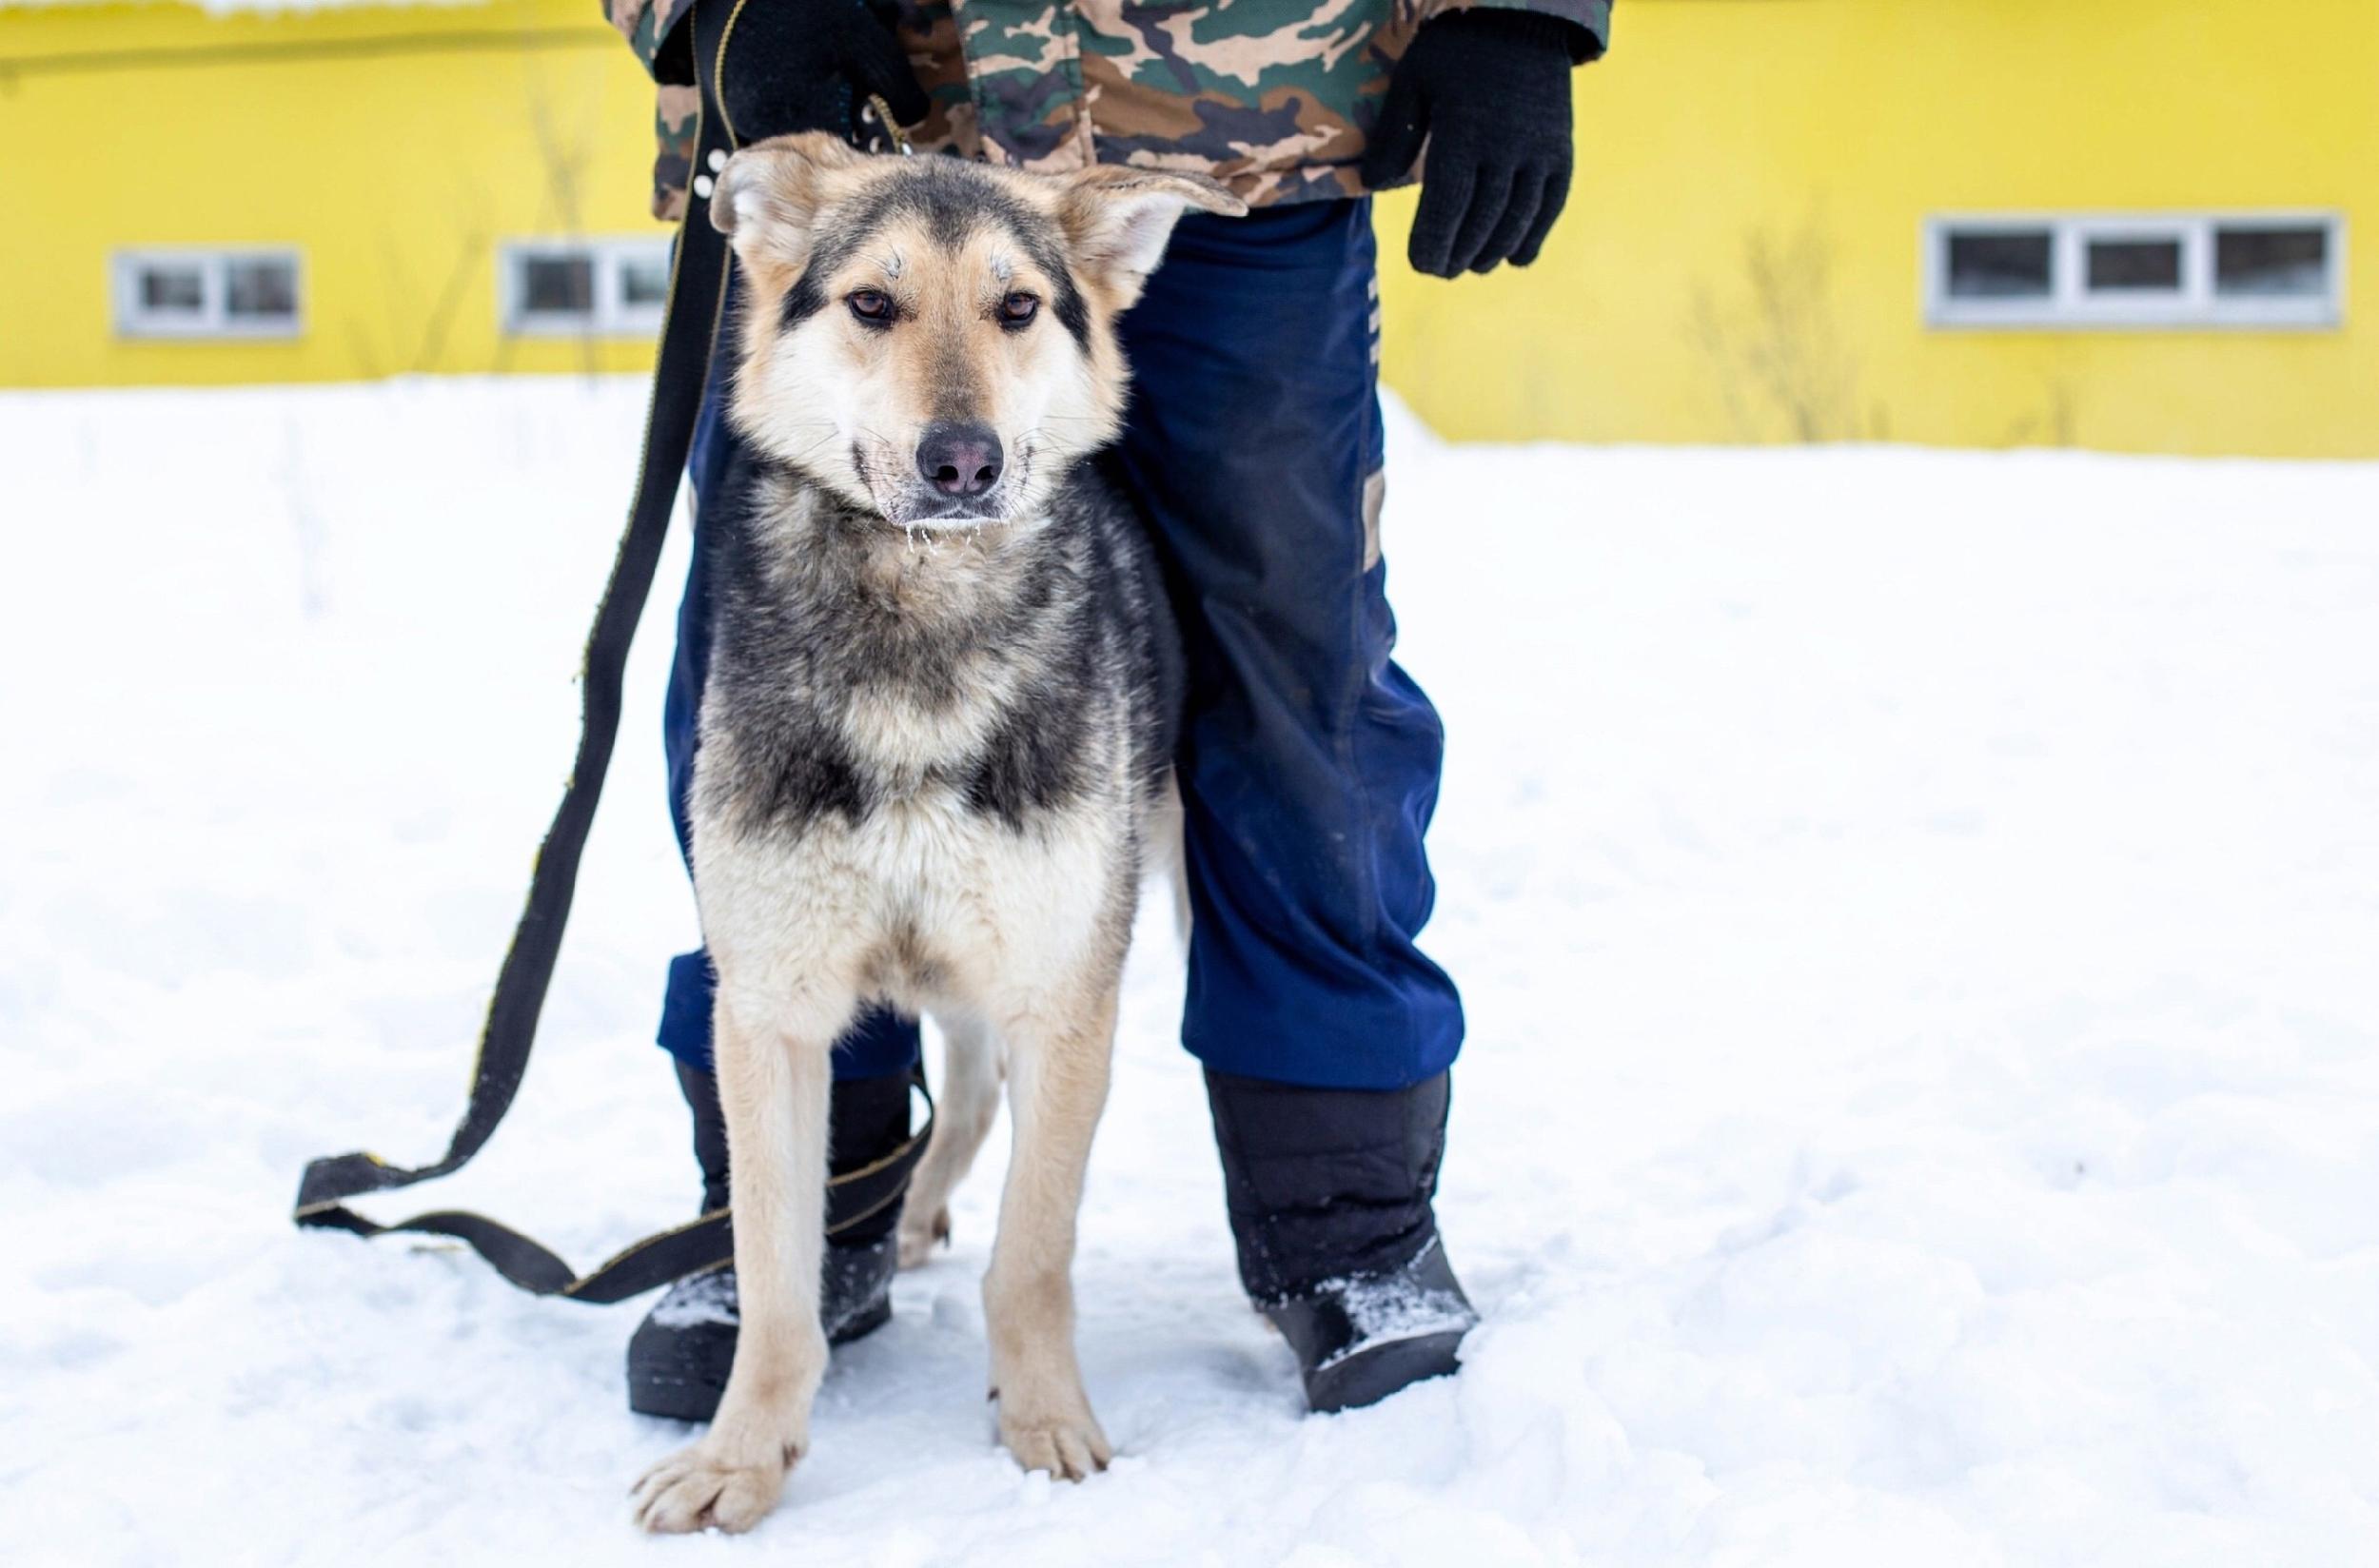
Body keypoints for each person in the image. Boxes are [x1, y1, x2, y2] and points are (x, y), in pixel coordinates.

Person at [607, 0, 1611, 1420]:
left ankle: (1342, 1216)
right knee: (768, 672)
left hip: (1235, 133)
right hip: (851, 132)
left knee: (1296, 683)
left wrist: (1518, 14)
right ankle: (816, 1201)